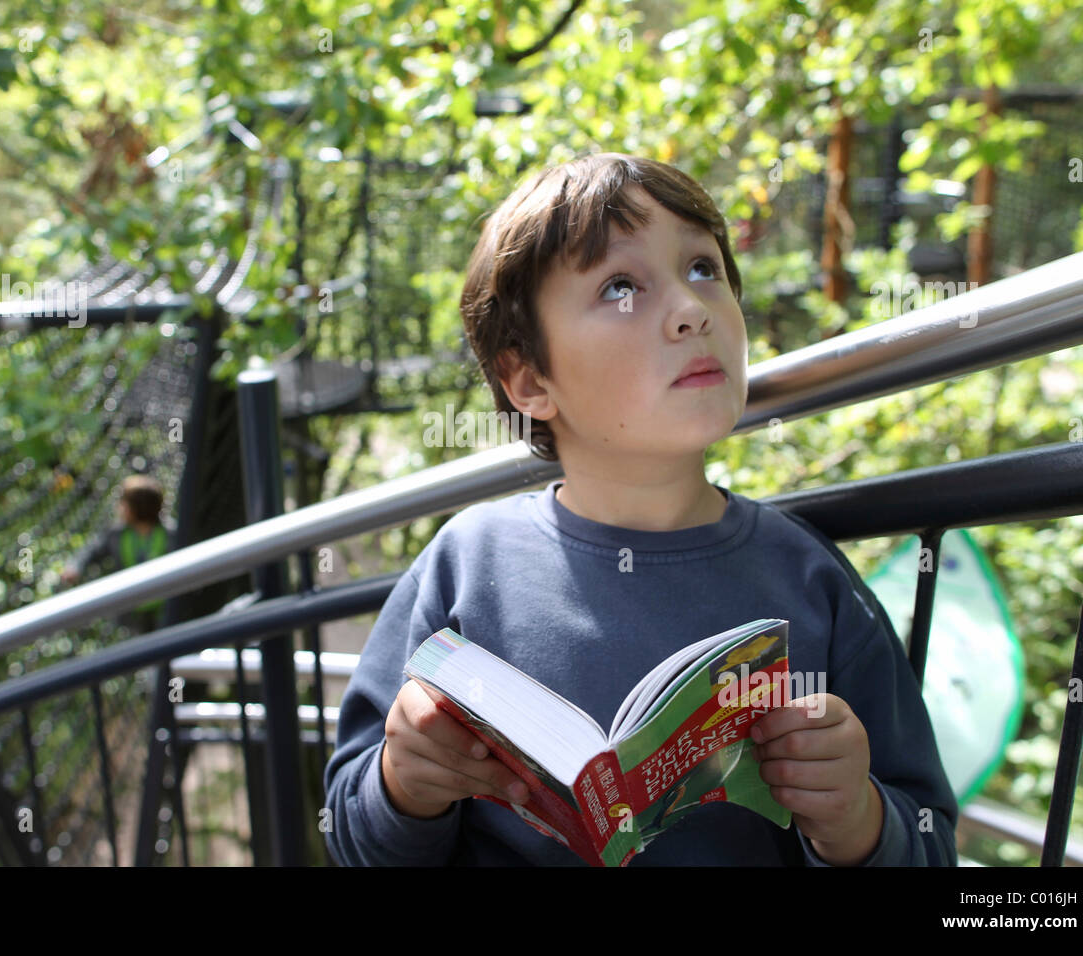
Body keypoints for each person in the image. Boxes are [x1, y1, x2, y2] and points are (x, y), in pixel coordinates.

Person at [322, 152, 958, 866]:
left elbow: (930, 838)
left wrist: (857, 819)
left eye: (703, 269)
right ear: (530, 379)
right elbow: (348, 837)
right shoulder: (465, 565)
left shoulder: (810, 577)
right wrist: (402, 786)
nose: (691, 311)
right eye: (622, 286)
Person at [61, 474, 173, 633]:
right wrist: (74, 567)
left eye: (124, 503)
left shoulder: (170, 535)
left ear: (138, 507)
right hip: (129, 618)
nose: (119, 508)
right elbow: (91, 551)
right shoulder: (117, 534)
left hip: (166, 615)